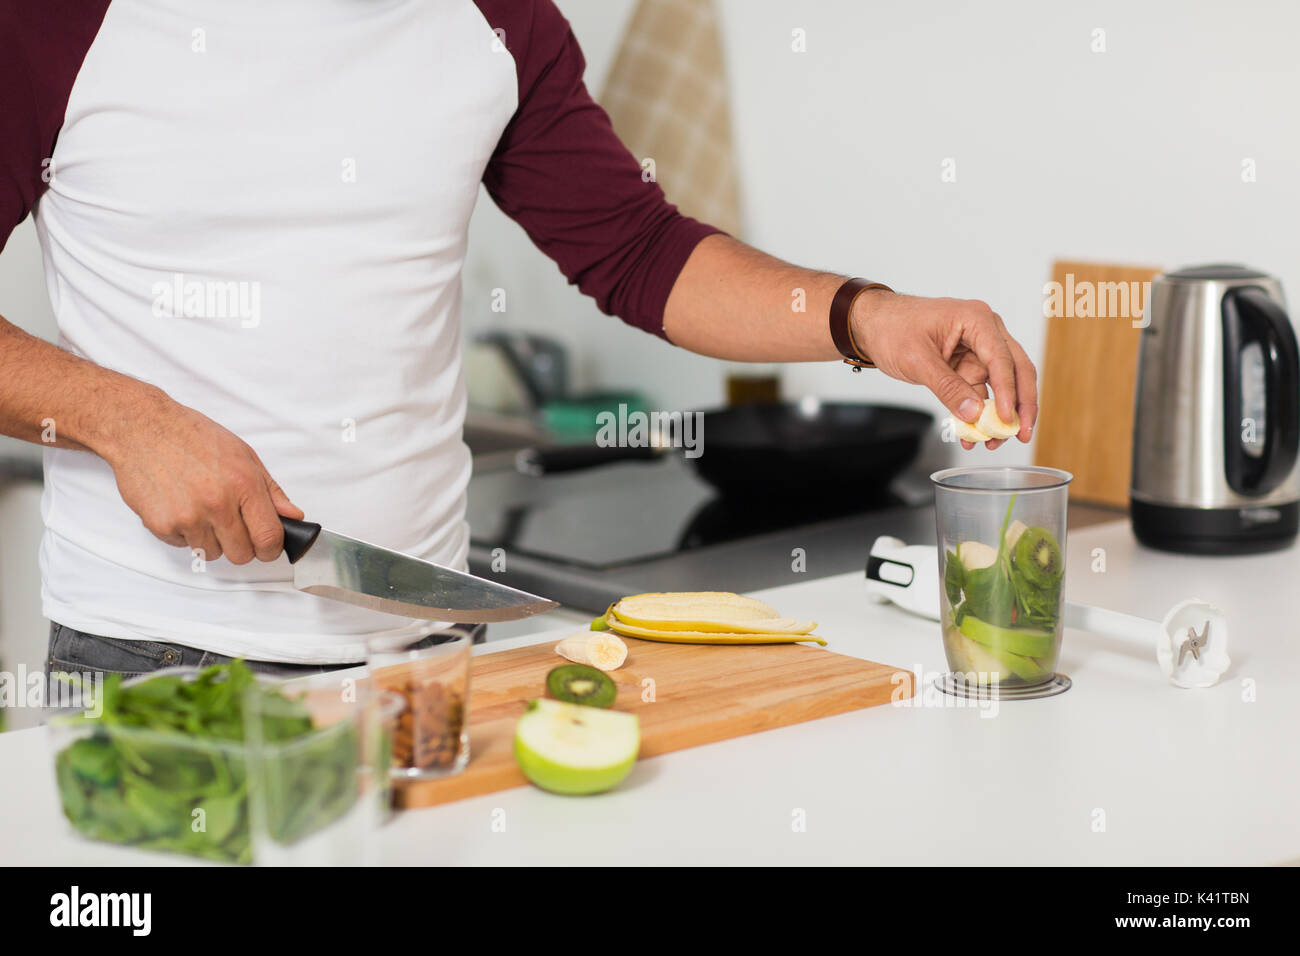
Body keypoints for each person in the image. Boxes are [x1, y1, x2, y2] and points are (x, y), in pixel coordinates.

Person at [0, 0, 1036, 677]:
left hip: (431, 652)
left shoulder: (494, 18)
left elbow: (637, 247)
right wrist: (119, 416)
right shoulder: (60, 21)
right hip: (154, 653)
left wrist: (864, 316)